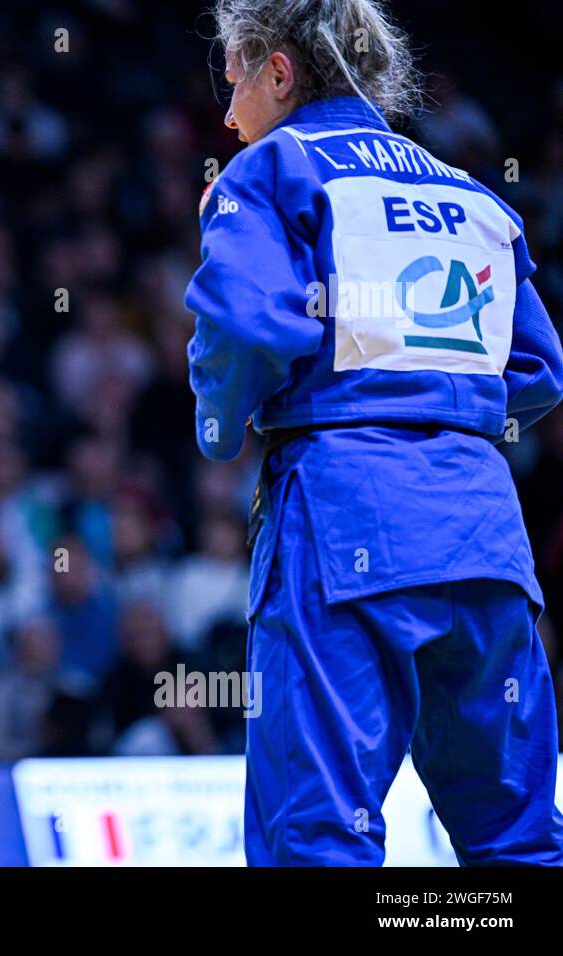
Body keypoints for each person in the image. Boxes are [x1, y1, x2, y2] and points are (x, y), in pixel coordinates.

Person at [188, 0, 563, 865]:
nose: (226, 110)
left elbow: (248, 330)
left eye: (234, 76)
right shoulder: (467, 191)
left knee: (318, 837)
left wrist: (220, 427)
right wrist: (440, 408)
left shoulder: (270, 169)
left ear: (279, 71)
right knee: (518, 842)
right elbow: (539, 369)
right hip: (485, 538)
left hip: (344, 525)